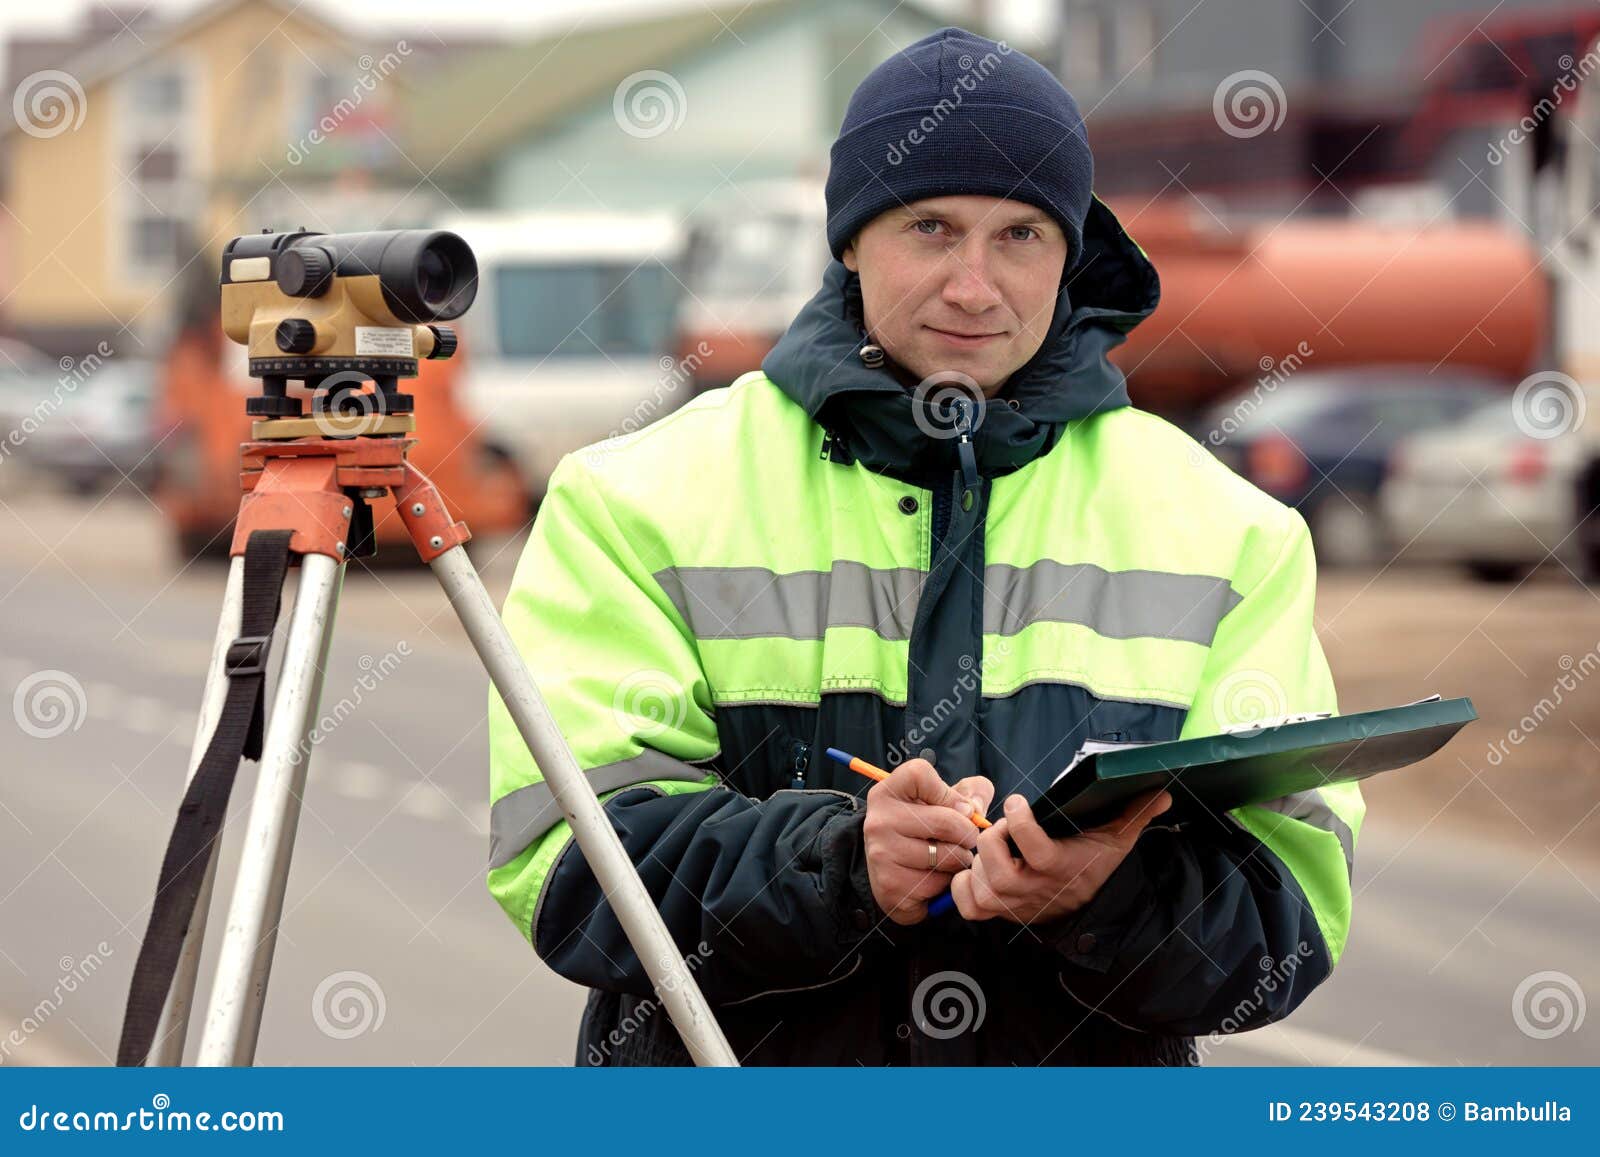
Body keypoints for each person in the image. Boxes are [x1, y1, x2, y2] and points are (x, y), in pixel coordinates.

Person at [487, 26, 1361, 1065]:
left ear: (1073, 251)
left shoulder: (1231, 533)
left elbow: (1287, 919)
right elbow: (565, 868)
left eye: (1021, 236)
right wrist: (836, 863)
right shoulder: (630, 501)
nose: (973, 285)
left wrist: (1105, 895)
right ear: (850, 239)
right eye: (931, 228)